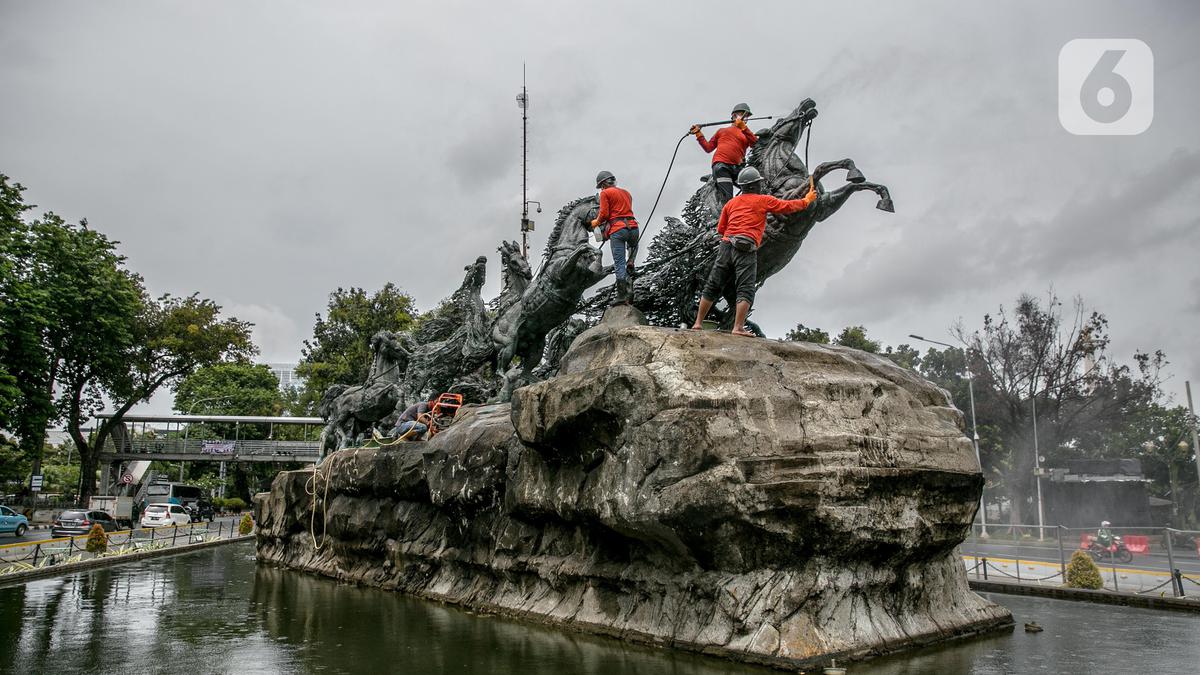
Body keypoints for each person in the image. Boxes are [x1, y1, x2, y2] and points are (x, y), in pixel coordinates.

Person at [691, 167, 817, 336]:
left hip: (726, 246)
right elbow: (787, 206)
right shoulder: (763, 200)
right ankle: (738, 328)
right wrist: (807, 200)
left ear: (743, 186)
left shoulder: (731, 203)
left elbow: (721, 228)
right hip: (746, 248)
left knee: (713, 284)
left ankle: (698, 323)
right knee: (746, 288)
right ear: (755, 185)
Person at [692, 102, 758, 206]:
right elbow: (708, 148)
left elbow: (755, 143)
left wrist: (744, 128)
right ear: (733, 116)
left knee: (752, 191)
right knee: (728, 199)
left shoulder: (747, 133)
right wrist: (699, 134)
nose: (745, 118)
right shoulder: (721, 131)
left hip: (738, 168)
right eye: (742, 114)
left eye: (746, 116)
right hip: (722, 167)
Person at [589, 170, 639, 306]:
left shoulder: (605, 193)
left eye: (601, 186)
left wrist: (596, 222)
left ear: (603, 183)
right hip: (633, 227)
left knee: (619, 264)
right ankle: (632, 262)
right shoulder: (626, 193)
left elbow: (604, 214)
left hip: (618, 230)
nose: (601, 189)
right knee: (633, 245)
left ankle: (621, 296)